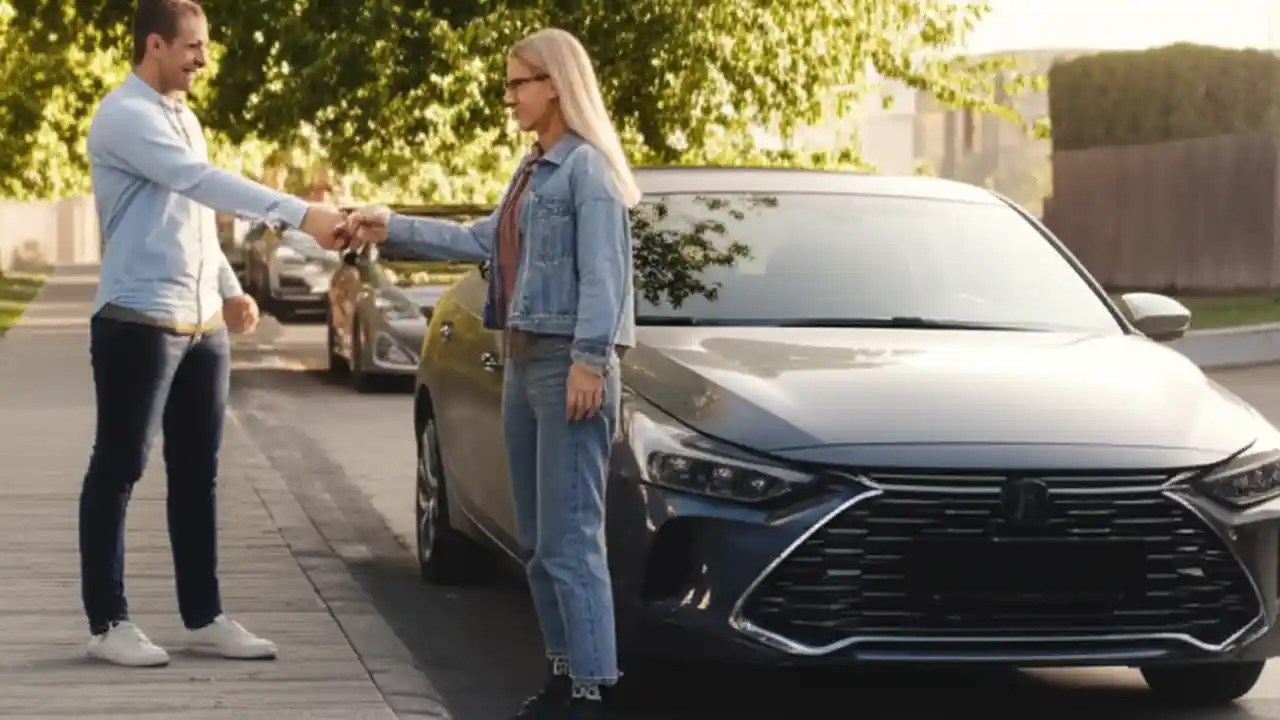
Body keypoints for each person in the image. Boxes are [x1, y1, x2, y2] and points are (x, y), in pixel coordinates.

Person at [347, 27, 639, 720]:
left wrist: (590, 363)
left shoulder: (589, 173)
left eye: (518, 83)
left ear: (557, 85)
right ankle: (566, 676)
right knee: (538, 545)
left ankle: (597, 691)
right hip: (523, 362)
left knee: (572, 543)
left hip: (569, 364)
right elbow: (478, 242)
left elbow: (605, 279)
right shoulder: (533, 172)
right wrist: (390, 223)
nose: (508, 97)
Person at [80, 0, 349, 667]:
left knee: (198, 475)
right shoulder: (125, 116)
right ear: (154, 47)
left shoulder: (184, 117)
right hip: (139, 319)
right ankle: (107, 622)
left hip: (201, 327)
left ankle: (203, 617)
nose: (203, 59)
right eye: (193, 47)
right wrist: (301, 214)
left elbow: (194, 213)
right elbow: (196, 179)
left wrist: (230, 291)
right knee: (119, 467)